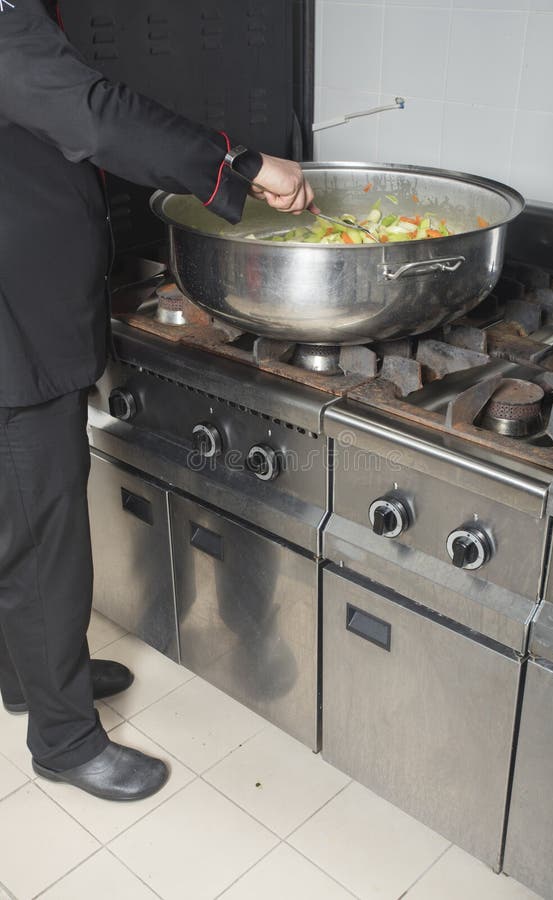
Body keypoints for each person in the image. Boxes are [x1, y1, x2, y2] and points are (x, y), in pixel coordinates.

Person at [0, 0, 315, 801]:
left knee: (17, 522)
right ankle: (63, 740)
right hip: (13, 338)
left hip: (19, 316)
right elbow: (93, 113)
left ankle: (28, 679)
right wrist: (241, 166)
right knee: (44, 538)